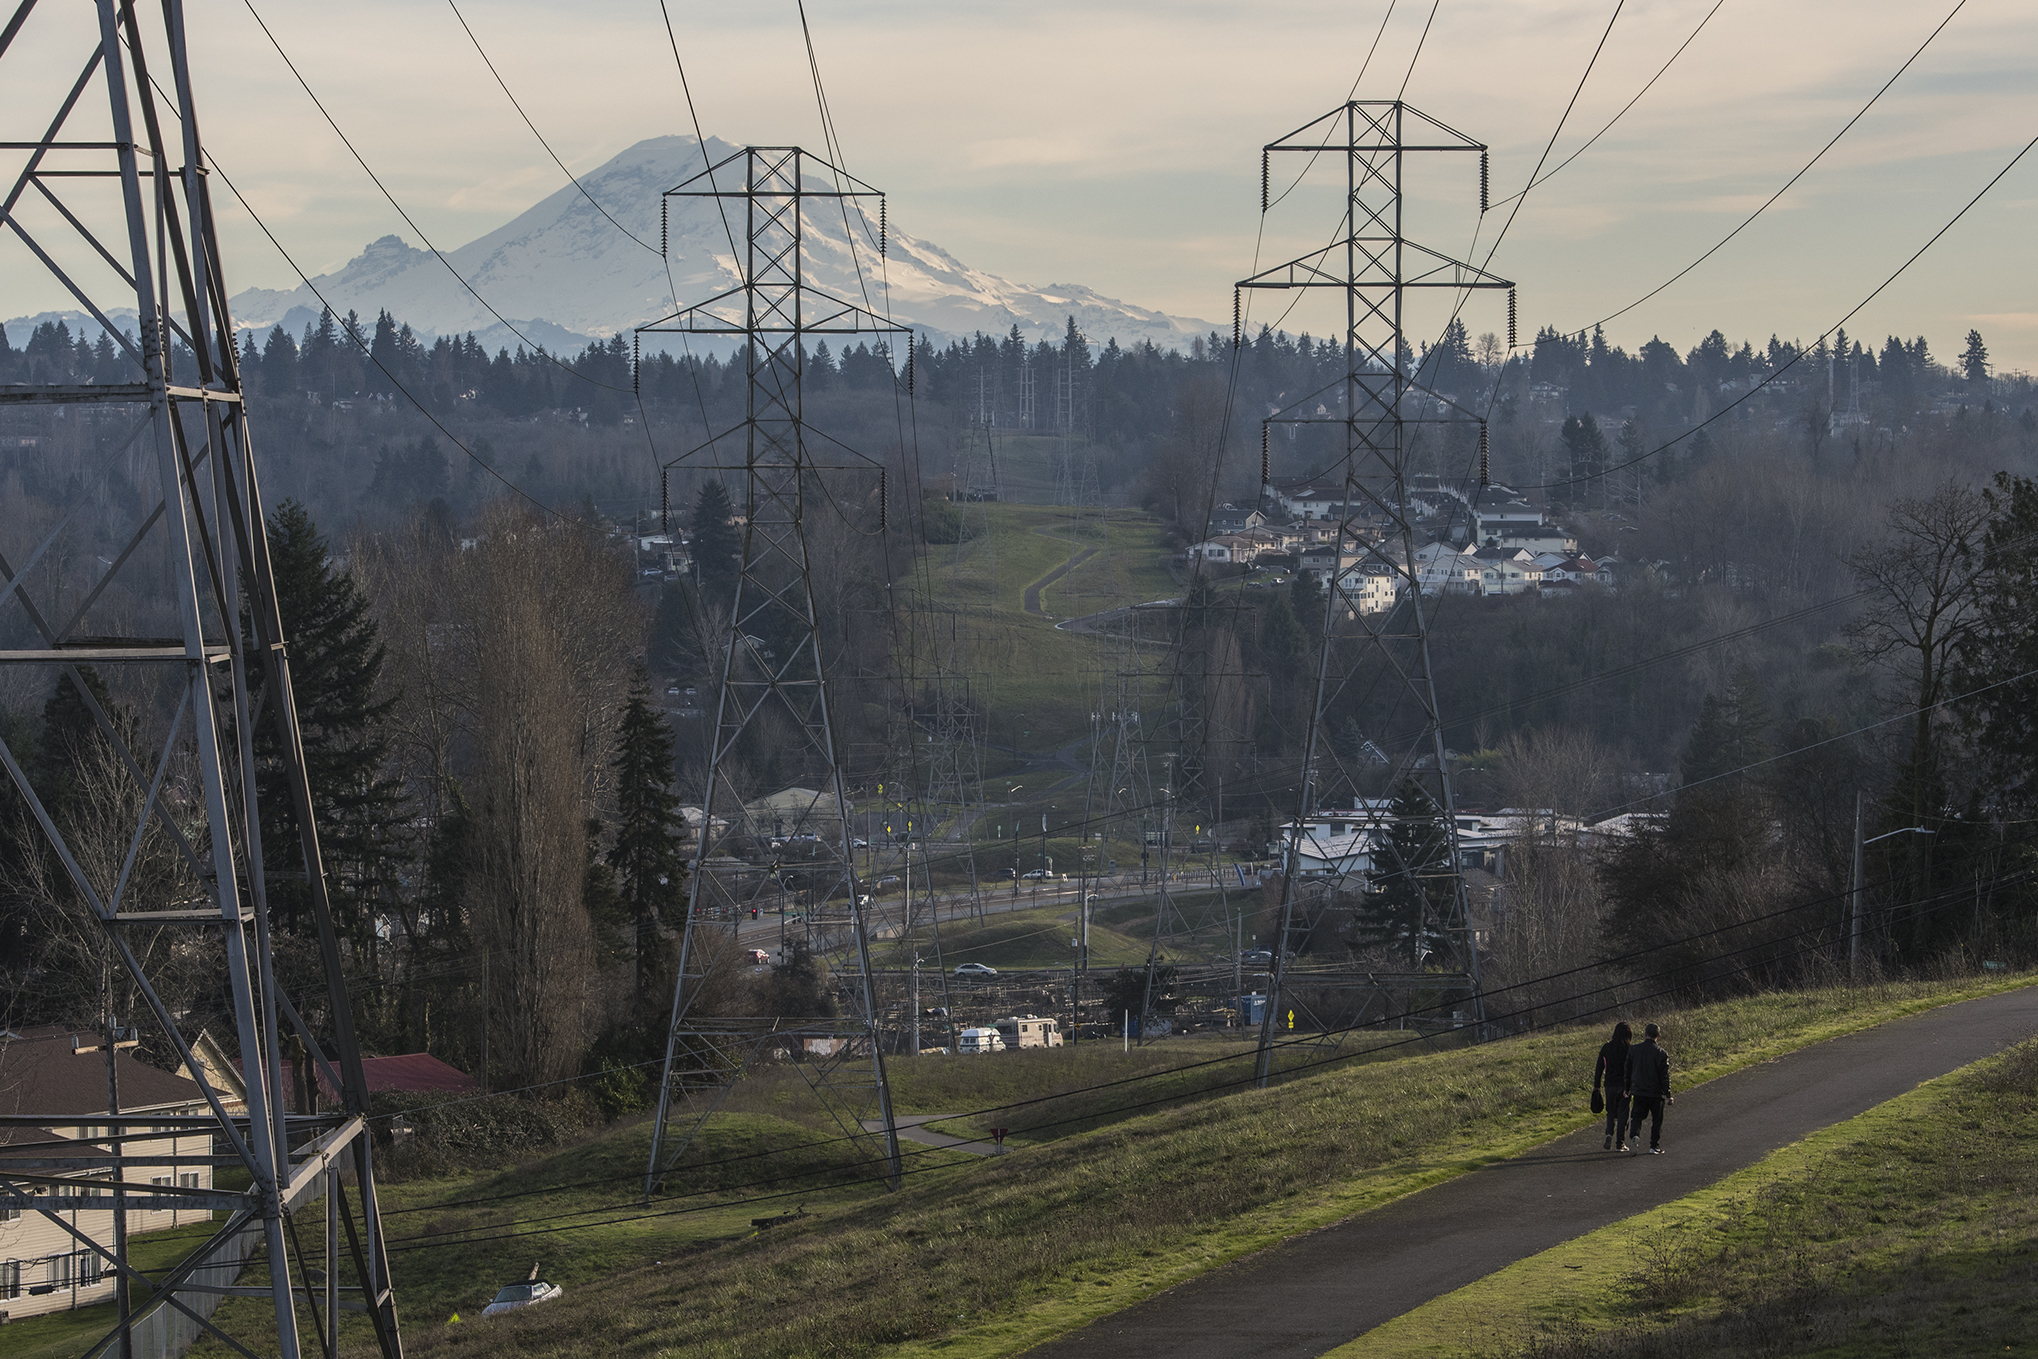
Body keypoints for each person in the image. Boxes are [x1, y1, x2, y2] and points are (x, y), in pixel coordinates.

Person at [1625, 1022, 1674, 1154]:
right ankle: (1654, 1146)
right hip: (1656, 1092)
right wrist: (1668, 1094)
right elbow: (1665, 1076)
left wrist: (1627, 1087)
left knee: (1636, 1116)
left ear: (1645, 1034)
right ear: (1658, 1036)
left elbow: (1628, 1070)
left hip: (1639, 1090)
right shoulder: (1662, 1054)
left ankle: (1634, 1135)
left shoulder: (1634, 1050)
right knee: (1657, 1119)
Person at [1593, 1021, 1633, 1151]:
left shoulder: (1606, 1047)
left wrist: (1596, 1086)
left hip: (1609, 1085)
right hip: (1624, 1085)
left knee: (1610, 1112)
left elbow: (1599, 1067)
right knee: (1623, 1114)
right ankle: (1620, 1143)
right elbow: (1632, 1068)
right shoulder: (1629, 1049)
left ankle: (1609, 1133)